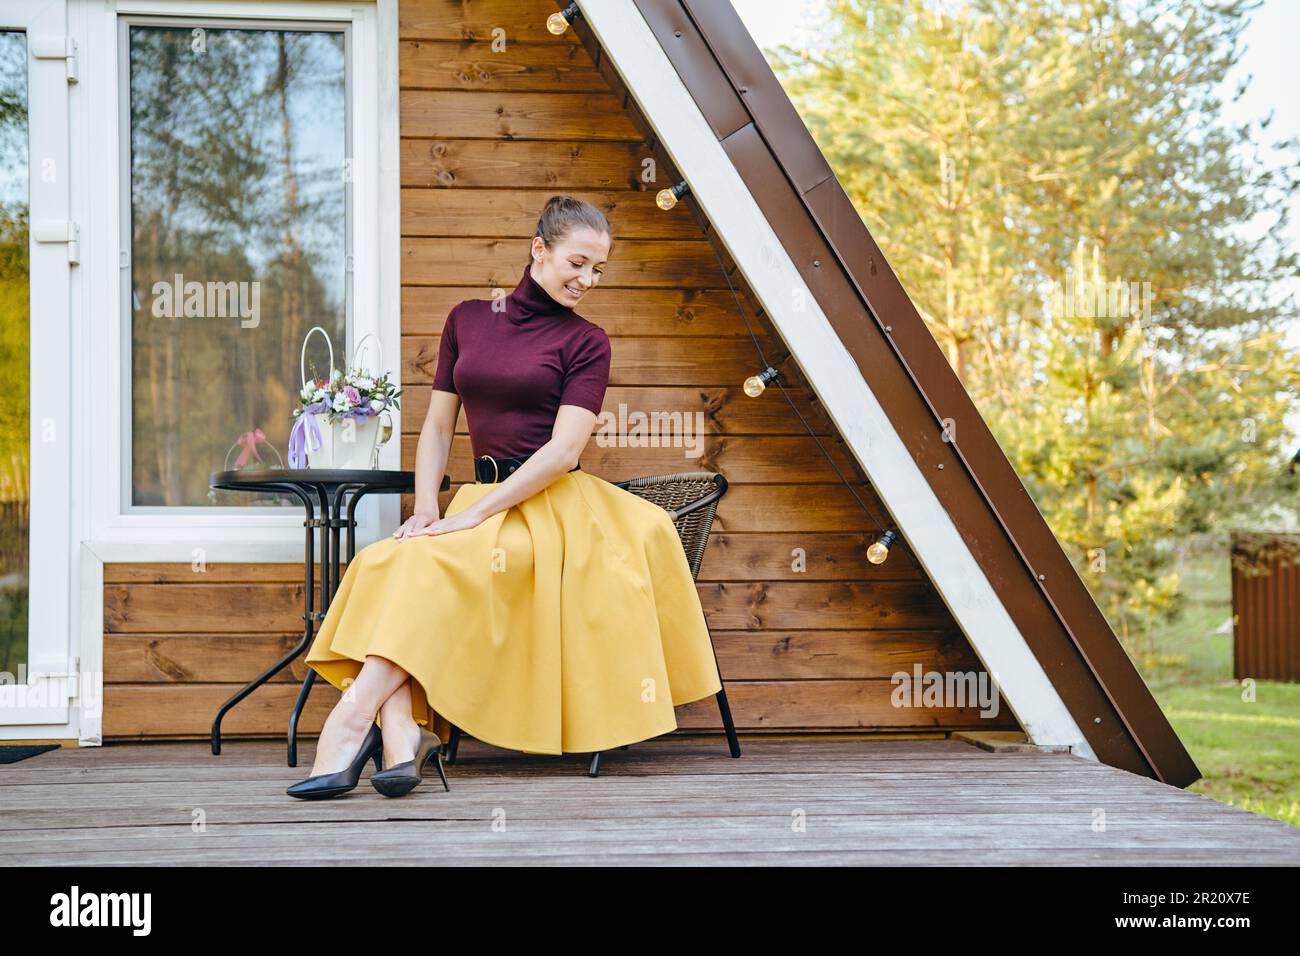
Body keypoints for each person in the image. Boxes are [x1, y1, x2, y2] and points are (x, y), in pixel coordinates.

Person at [287, 195, 724, 799]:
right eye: (578, 262)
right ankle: (399, 734)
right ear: (538, 248)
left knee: (431, 567)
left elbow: (564, 452)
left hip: (550, 506)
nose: (587, 280)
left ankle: (353, 718)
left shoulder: (587, 342)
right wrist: (426, 510)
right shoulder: (466, 319)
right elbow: (439, 428)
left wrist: (471, 516)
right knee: (384, 558)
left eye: (599, 269)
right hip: (479, 495)